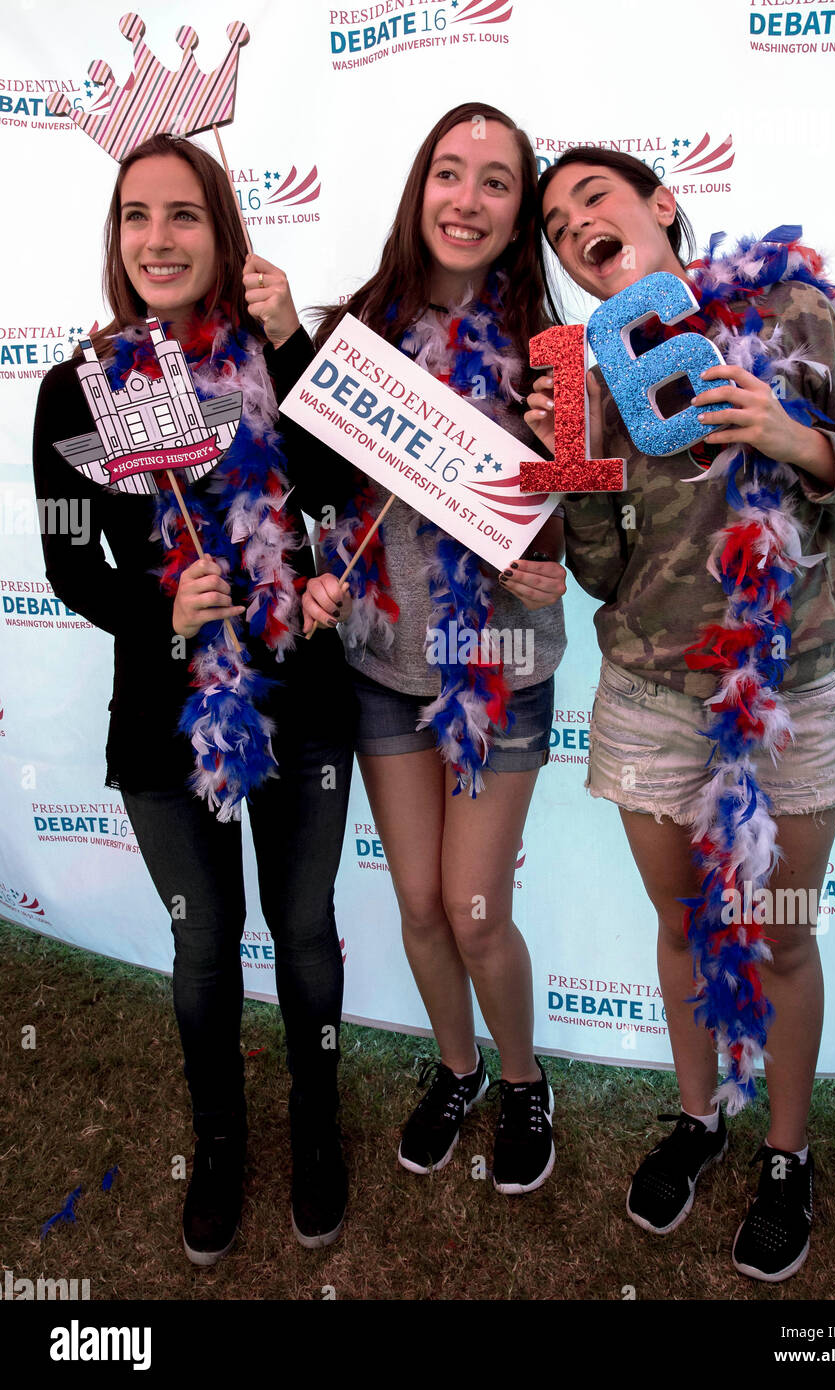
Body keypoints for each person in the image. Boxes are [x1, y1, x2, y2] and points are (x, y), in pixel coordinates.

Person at [529, 148, 835, 1277]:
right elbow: (604, 575)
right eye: (557, 228)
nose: (573, 228)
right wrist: (574, 477)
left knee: (783, 936)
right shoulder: (590, 381)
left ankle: (785, 1155)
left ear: (660, 207)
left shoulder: (794, 316)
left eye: (591, 201)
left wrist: (791, 436)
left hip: (792, 696)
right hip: (652, 700)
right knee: (680, 927)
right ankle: (699, 1118)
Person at [33, 133, 360, 1264]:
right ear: (115, 237)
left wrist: (290, 339)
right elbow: (72, 561)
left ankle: (317, 1132)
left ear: (224, 232)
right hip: (164, 713)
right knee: (204, 941)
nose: (158, 238)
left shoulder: (276, 359)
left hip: (300, 696)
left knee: (306, 929)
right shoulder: (73, 390)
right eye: (137, 215)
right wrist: (155, 613)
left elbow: (333, 490)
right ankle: (219, 1143)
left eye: (184, 214)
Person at [254, 102, 568, 1195]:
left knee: (479, 911)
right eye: (449, 172)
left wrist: (554, 556)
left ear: (518, 209)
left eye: (494, 182)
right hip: (384, 664)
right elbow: (316, 489)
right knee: (421, 906)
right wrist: (320, 564)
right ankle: (457, 1067)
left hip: (500, 663)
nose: (467, 200)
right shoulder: (353, 336)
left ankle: (525, 1078)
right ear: (419, 188)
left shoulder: (554, 353)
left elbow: (579, 513)